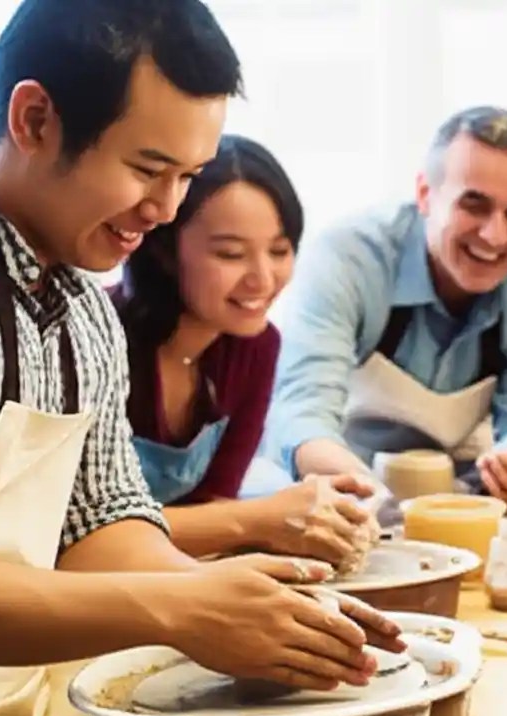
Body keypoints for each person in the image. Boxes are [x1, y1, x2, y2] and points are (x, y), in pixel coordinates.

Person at [0, 2, 402, 716]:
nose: (167, 209)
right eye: (148, 169)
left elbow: (98, 523)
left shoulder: (85, 312)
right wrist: (181, 607)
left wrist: (244, 605)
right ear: (35, 121)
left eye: (187, 176)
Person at [265, 106, 507, 515]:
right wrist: (359, 491)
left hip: (467, 505)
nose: (496, 235)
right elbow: (301, 412)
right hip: (345, 497)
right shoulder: (349, 257)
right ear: (426, 194)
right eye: (474, 205)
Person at [112, 134, 374, 563]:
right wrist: (264, 518)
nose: (263, 279)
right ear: (163, 247)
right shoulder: (98, 337)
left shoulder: (256, 348)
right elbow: (81, 528)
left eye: (279, 251)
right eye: (231, 254)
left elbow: (215, 509)